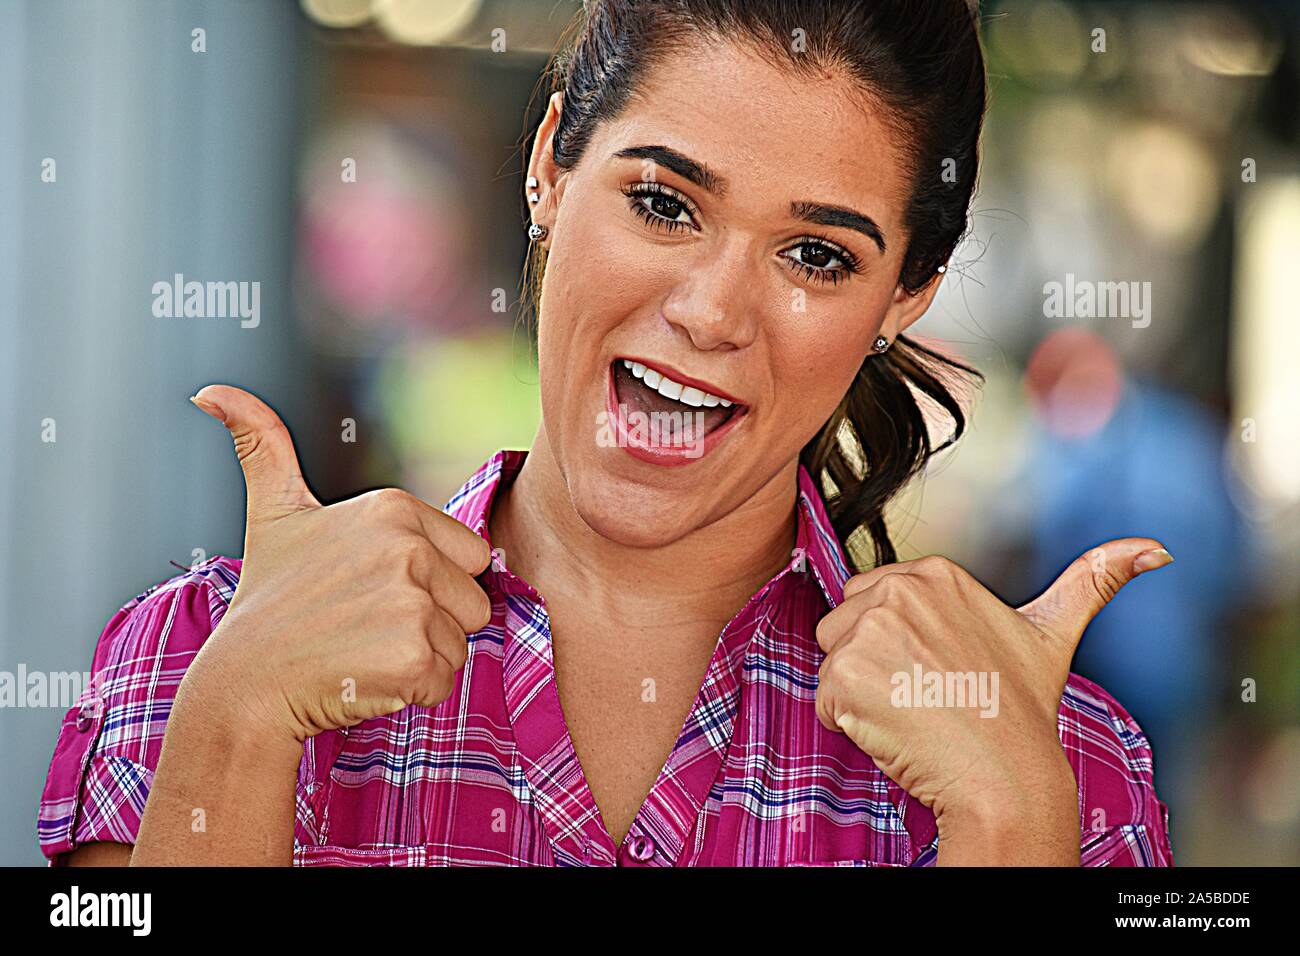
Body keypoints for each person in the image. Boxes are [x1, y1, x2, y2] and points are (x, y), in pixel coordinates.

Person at [40, 0, 1173, 867]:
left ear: (903, 298)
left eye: (817, 255)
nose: (710, 311)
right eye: (664, 203)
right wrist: (235, 727)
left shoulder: (1058, 763)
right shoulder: (194, 658)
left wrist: (1015, 823)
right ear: (549, 167)